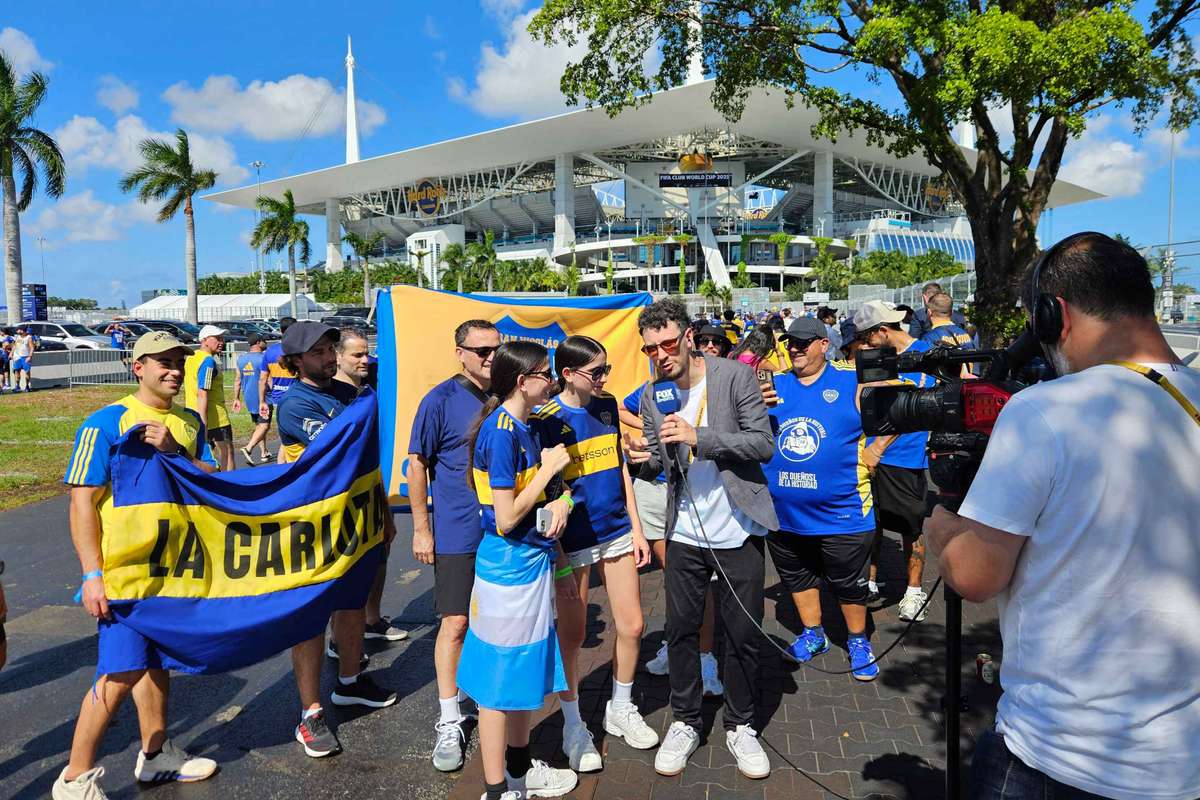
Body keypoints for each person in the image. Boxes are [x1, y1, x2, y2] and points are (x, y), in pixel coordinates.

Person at [925, 232, 1200, 800]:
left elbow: (975, 576)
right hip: (1182, 763)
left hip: (1059, 755)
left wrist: (941, 526)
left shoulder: (1046, 411)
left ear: (1056, 315)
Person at [54, 331, 219, 800]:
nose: (173, 371)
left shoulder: (188, 422)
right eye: (162, 362)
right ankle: (73, 779)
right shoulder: (105, 423)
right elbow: (82, 501)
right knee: (120, 671)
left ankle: (156, 753)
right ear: (138, 367)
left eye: (178, 362)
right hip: (124, 574)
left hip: (172, 571)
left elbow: (211, 476)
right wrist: (92, 574)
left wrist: (174, 451)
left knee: (154, 661)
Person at [625, 298, 776, 780]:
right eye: (651, 349)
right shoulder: (652, 394)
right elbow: (659, 462)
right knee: (681, 631)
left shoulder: (734, 377)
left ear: (688, 337)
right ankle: (686, 721)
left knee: (743, 634)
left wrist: (701, 437)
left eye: (668, 344)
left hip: (738, 527)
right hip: (685, 529)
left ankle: (741, 724)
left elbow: (763, 445)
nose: (661, 355)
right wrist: (639, 458)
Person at [532, 336, 658, 774]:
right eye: (596, 371)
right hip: (574, 541)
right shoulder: (545, 419)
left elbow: (620, 467)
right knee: (572, 637)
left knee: (634, 624)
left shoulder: (606, 406)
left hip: (617, 530)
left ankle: (620, 707)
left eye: (607, 369)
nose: (604, 378)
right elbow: (545, 493)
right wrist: (559, 555)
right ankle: (572, 725)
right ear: (567, 374)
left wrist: (637, 528)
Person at [460, 340, 578, 800]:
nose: (553, 381)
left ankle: (518, 770)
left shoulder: (526, 426)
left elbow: (546, 499)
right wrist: (548, 473)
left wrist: (562, 500)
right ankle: (497, 790)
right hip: (507, 571)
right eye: (546, 374)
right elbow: (507, 518)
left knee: (524, 672)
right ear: (523, 381)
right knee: (497, 683)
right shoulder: (501, 433)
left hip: (531, 566)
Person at [275, 321, 398, 758]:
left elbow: (368, 462)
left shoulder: (351, 394)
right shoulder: (294, 404)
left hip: (357, 520)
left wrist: (384, 511)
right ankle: (310, 713)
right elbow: (337, 449)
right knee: (310, 620)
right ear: (296, 361)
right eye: (319, 352)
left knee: (351, 605)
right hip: (314, 528)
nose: (329, 357)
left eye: (331, 349)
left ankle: (349, 681)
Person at [759, 316, 881, 681]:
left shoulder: (851, 379)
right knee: (797, 578)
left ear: (824, 345)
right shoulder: (775, 384)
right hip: (784, 514)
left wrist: (877, 449)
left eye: (803, 342)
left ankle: (857, 640)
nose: (795, 349)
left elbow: (899, 406)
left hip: (843, 511)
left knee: (849, 584)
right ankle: (814, 634)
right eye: (790, 343)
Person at [408, 319, 500, 772]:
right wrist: (421, 528)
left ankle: (487, 701)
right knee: (456, 623)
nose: (490, 358)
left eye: (496, 349)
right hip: (457, 532)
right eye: (481, 351)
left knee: (494, 623)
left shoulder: (507, 395)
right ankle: (449, 717)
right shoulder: (439, 401)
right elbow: (417, 465)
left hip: (501, 531)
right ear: (460, 353)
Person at [618, 381, 724, 699]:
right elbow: (623, 407)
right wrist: (649, 432)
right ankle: (674, 645)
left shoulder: (718, 383)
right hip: (654, 489)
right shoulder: (654, 388)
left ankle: (705, 658)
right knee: (676, 577)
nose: (662, 359)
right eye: (654, 355)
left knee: (697, 581)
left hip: (697, 488)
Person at [853, 301, 935, 621]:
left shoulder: (925, 355)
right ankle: (871, 582)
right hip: (868, 453)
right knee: (870, 521)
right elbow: (861, 402)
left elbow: (913, 409)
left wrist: (880, 447)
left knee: (910, 526)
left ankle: (913, 592)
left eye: (868, 338)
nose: (865, 344)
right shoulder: (877, 356)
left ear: (883, 331)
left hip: (905, 457)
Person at [332, 327, 407, 644]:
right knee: (345, 568)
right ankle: (339, 638)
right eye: (357, 354)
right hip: (341, 498)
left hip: (374, 488)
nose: (365, 360)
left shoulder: (374, 391)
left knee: (380, 554)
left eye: (367, 353)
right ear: (338, 356)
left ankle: (372, 619)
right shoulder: (329, 396)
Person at [184, 325, 234, 472]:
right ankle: (228, 483)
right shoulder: (208, 361)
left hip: (193, 413)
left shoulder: (192, 357)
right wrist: (203, 422)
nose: (221, 342)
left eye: (222, 338)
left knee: (205, 456)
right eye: (217, 338)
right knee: (227, 453)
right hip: (214, 418)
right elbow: (202, 392)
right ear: (204, 340)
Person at [258, 316, 298, 459]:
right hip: (297, 397)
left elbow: (262, 379)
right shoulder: (299, 349)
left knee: (286, 434)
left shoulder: (270, 351)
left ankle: (282, 465)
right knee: (294, 435)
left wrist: (262, 401)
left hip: (278, 398)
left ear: (281, 331)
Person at [232, 335, 272, 465]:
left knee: (259, 425)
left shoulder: (241, 359)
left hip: (249, 397)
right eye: (264, 341)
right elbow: (268, 379)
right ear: (259, 342)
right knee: (264, 426)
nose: (266, 343)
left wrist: (236, 398)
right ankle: (248, 448)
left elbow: (237, 380)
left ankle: (264, 452)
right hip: (263, 398)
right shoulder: (264, 358)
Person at [11, 325, 36, 392]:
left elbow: (32, 348)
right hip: (17, 357)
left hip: (25, 357)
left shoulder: (29, 337)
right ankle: (17, 386)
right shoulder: (17, 337)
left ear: (22, 330)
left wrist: (29, 356)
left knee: (27, 371)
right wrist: (11, 353)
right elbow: (15, 346)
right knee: (16, 371)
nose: (17, 331)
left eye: (18, 329)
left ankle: (27, 386)